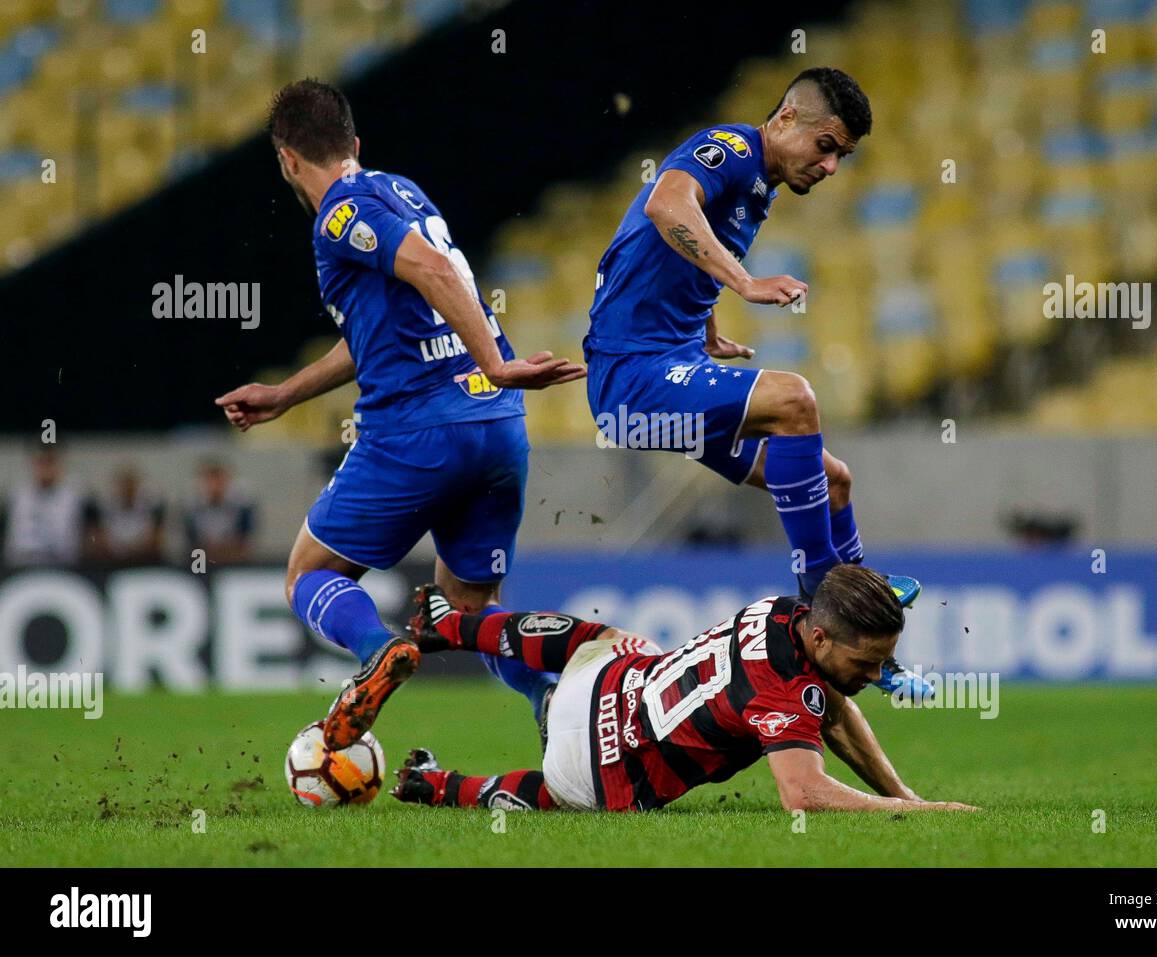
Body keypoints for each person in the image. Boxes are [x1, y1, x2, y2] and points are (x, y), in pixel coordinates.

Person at [215, 80, 584, 750]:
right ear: (355, 144)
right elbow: (377, 333)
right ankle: (551, 697)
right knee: (465, 612)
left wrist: (498, 362)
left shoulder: (337, 213)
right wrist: (285, 393)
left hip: (419, 429)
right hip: (496, 428)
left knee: (310, 574)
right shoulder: (404, 191)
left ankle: (378, 652)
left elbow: (434, 271)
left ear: (288, 162)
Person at [583, 66, 927, 697]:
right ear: (787, 118)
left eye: (843, 157)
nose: (831, 168)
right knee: (795, 398)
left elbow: (683, 249)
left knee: (833, 479)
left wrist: (707, 327)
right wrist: (744, 285)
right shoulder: (734, 149)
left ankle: (868, 635)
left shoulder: (759, 189)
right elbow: (666, 204)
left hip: (667, 365)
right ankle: (822, 599)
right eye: (827, 148)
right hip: (633, 381)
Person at [392, 564, 977, 813]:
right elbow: (804, 794)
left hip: (599, 690)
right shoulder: (788, 690)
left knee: (609, 637)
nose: (877, 675)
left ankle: (449, 626)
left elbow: (836, 710)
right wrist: (910, 809)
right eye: (868, 661)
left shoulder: (777, 611)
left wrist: (904, 794)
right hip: (592, 775)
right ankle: (440, 787)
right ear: (820, 639)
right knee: (576, 793)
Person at [1, 447, 95, 566]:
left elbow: (91, 536)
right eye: (41, 463)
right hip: (19, 566)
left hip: (64, 566)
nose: (45, 469)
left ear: (60, 466)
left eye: (50, 463)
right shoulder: (15, 496)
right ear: (32, 465)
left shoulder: (77, 498)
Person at [86, 465, 166, 564]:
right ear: (117, 487)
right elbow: (96, 542)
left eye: (131, 485)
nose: (127, 489)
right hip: (111, 563)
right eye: (124, 485)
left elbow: (156, 543)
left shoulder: (151, 508)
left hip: (144, 562)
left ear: (137, 486)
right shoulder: (105, 509)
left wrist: (127, 549)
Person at [182, 460, 256, 564]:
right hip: (200, 561)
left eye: (219, 481)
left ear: (228, 482)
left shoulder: (242, 506)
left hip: (234, 560)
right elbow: (191, 543)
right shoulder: (191, 507)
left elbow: (244, 542)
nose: (215, 486)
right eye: (210, 481)